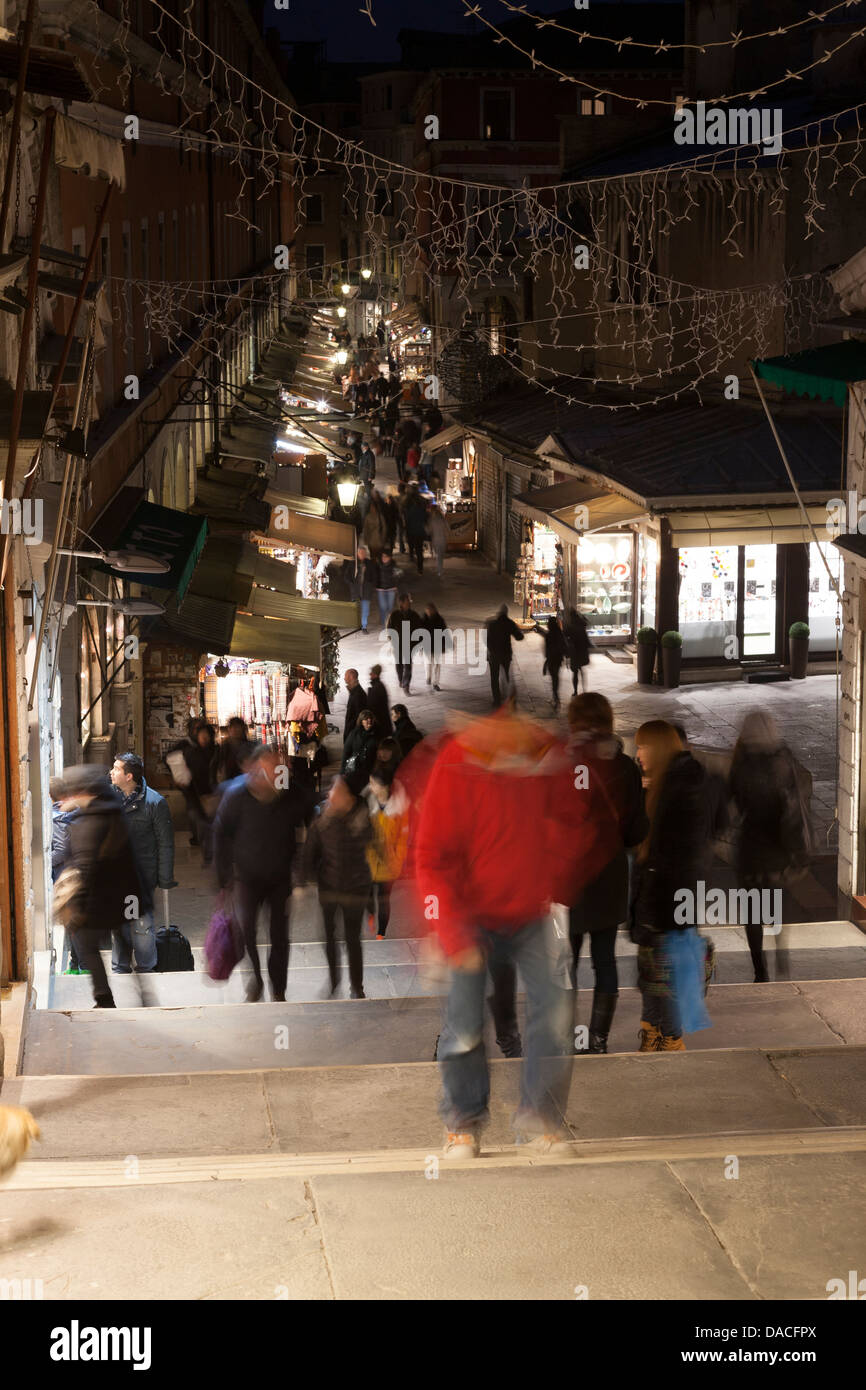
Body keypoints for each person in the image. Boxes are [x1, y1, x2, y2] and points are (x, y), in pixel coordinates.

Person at [415, 706, 596, 1158]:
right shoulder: (456, 762)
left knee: (555, 1016)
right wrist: (452, 933)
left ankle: (540, 1117)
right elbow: (431, 855)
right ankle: (463, 1123)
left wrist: (555, 882)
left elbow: (580, 818)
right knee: (464, 1026)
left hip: (535, 911)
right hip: (467, 913)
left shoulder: (546, 755)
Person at [565, 694, 647, 1053]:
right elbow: (635, 832)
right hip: (608, 874)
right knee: (605, 959)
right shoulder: (626, 768)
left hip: (567, 876)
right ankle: (597, 1039)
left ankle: (566, 1038)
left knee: (562, 964)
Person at [631, 720, 715, 1051]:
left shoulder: (680, 791)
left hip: (668, 903)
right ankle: (653, 1033)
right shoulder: (665, 785)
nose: (637, 754)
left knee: (662, 981)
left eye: (642, 747)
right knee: (652, 978)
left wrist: (665, 908)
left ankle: (670, 1040)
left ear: (659, 749)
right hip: (657, 899)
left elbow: (682, 853)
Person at [213, 746, 311, 1002]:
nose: (279, 768)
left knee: (280, 937)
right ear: (256, 767)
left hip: (280, 880)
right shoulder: (237, 796)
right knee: (246, 934)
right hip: (246, 879)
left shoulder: (290, 792)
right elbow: (220, 835)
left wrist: (301, 873)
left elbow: (310, 818)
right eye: (272, 764)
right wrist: (224, 879)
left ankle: (278, 989)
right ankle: (254, 981)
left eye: (280, 764)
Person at [728, 711, 811, 982]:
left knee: (752, 913)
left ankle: (759, 970)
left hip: (752, 849)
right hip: (779, 849)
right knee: (777, 905)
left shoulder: (742, 763)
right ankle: (782, 954)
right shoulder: (784, 758)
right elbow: (800, 796)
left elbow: (735, 803)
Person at [60, 764, 144, 1009]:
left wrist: (77, 909)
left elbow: (85, 868)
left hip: (99, 902)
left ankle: (104, 999)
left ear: (83, 792)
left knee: (87, 946)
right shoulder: (112, 810)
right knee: (126, 943)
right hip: (123, 897)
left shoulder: (89, 824)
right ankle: (143, 991)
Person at [301, 776, 373, 998]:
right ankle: (334, 983)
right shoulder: (323, 818)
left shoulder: (362, 817)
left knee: (352, 939)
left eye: (336, 791)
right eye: (331, 791)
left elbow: (375, 849)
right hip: (330, 888)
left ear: (348, 796)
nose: (330, 796)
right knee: (330, 938)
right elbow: (309, 851)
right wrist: (304, 879)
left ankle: (357, 987)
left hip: (355, 889)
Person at [110, 753, 176, 977]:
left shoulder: (155, 803)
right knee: (118, 926)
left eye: (116, 769)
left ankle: (146, 968)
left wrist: (165, 878)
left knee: (140, 925)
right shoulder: (110, 799)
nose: (111, 772)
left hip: (141, 877)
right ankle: (120, 969)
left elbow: (165, 843)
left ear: (129, 776)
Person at [364, 772, 409, 939]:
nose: (370, 786)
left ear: (384, 787)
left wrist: (397, 861)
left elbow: (403, 838)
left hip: (389, 863)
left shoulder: (399, 808)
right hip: (368, 861)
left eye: (373, 783)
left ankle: (381, 934)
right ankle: (370, 913)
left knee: (384, 899)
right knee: (367, 896)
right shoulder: (366, 802)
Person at [167, 717, 217, 863]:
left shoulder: (213, 749)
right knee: (196, 816)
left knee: (206, 819)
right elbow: (170, 760)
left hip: (209, 791)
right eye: (196, 730)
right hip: (192, 791)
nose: (200, 734)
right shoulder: (185, 746)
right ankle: (202, 842)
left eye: (202, 730)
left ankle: (208, 845)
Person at [50, 776, 84, 975]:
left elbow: (60, 850)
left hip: (66, 875)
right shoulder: (76, 812)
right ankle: (77, 963)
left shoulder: (57, 817)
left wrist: (47, 863)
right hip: (77, 872)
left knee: (73, 923)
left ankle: (80, 966)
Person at [485, 604, 524, 707]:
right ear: (507, 613)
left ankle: (496, 700)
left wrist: (490, 651)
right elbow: (519, 637)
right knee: (507, 675)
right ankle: (510, 698)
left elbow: (487, 640)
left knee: (494, 678)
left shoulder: (492, 624)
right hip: (506, 655)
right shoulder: (510, 623)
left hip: (494, 655)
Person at [387, 591, 424, 694]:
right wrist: (392, 640)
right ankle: (401, 680)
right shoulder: (394, 615)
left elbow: (420, 630)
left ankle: (406, 685)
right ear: (402, 603)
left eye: (409, 600)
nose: (410, 602)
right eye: (408, 600)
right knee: (399, 664)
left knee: (408, 666)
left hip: (410, 645)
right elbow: (389, 628)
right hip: (398, 644)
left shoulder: (414, 615)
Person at [341, 709, 380, 794]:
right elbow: (346, 752)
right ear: (361, 721)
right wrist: (342, 771)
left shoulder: (378, 734)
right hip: (355, 769)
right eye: (366, 719)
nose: (369, 720)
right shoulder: (354, 734)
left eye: (370, 718)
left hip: (370, 770)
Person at [534, 615, 568, 711]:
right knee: (555, 678)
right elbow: (564, 646)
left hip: (552, 660)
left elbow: (547, 646)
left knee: (554, 680)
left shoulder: (549, 635)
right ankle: (555, 697)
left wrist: (547, 660)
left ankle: (556, 698)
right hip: (558, 659)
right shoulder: (560, 633)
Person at [212, 717, 256, 785]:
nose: (235, 730)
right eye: (232, 727)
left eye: (238, 727)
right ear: (229, 729)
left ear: (243, 729)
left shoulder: (250, 746)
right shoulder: (223, 748)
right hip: (228, 785)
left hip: (247, 785)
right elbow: (215, 767)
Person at [422, 601, 448, 691]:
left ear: (434, 610)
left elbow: (445, 632)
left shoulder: (440, 620)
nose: (429, 612)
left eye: (430, 610)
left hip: (437, 645)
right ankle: (428, 677)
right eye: (427, 610)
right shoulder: (423, 620)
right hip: (426, 646)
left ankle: (435, 682)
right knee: (428, 663)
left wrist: (444, 645)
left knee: (437, 665)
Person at [350, 545, 377, 633]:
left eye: (364, 553)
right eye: (360, 553)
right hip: (356, 591)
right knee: (355, 610)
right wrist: (352, 584)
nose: (362, 554)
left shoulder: (370, 563)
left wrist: (371, 585)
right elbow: (346, 576)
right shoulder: (353, 563)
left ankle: (364, 626)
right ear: (357, 554)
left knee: (365, 610)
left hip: (366, 591)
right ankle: (356, 625)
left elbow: (374, 576)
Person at [564, 607, 591, 694]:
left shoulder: (571, 627)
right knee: (582, 671)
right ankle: (584, 689)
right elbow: (586, 639)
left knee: (575, 673)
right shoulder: (582, 624)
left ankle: (575, 691)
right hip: (583, 651)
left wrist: (567, 654)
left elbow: (565, 634)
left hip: (575, 652)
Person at [404, 485, 428, 573]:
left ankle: (411, 556)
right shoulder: (422, 504)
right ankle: (420, 567)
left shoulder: (408, 502)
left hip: (411, 530)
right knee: (419, 549)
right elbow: (426, 518)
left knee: (412, 545)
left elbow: (407, 518)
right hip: (419, 531)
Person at [375, 550, 400, 629]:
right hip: (381, 589)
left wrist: (396, 585)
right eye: (382, 556)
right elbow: (375, 576)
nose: (384, 558)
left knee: (389, 607)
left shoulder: (394, 565)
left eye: (386, 556)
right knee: (383, 607)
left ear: (390, 557)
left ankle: (388, 623)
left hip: (391, 589)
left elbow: (398, 576)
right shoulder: (378, 565)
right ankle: (384, 623)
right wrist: (376, 585)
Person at [366, 663, 393, 734]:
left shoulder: (377, 688)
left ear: (375, 675)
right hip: (384, 723)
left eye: (371, 673)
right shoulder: (379, 686)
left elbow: (372, 707)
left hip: (380, 726)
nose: (370, 674)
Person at [362, 490, 388, 560]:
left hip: (379, 539)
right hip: (371, 540)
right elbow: (365, 528)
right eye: (371, 507)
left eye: (373, 507)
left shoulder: (380, 516)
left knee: (379, 556)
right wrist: (366, 539)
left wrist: (383, 538)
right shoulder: (368, 517)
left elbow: (384, 527)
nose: (372, 509)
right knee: (373, 556)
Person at [342, 669, 367, 742]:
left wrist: (350, 732)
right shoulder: (354, 691)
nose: (344, 678)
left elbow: (359, 716)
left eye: (345, 676)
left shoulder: (358, 694)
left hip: (353, 734)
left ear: (351, 677)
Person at [427, 503, 449, 579]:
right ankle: (440, 570)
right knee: (441, 556)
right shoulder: (443, 519)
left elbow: (428, 531)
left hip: (435, 540)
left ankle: (439, 570)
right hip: (443, 540)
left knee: (438, 556)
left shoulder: (431, 520)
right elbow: (448, 529)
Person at [394, 482, 408, 554]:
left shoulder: (397, 498)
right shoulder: (407, 497)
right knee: (407, 533)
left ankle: (402, 548)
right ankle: (407, 548)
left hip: (400, 517)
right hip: (406, 517)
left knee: (400, 534)